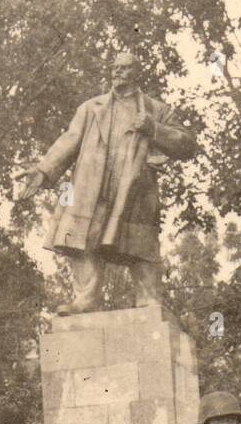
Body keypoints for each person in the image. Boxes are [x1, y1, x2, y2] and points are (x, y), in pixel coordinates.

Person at [19, 51, 197, 314]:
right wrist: (44, 170)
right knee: (82, 238)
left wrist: (154, 129)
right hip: (93, 185)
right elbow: (69, 140)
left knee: (141, 244)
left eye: (125, 68)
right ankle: (86, 298)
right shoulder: (91, 108)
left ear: (137, 73)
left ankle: (148, 299)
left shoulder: (156, 110)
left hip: (134, 186)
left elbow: (187, 145)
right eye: (115, 67)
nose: (117, 71)